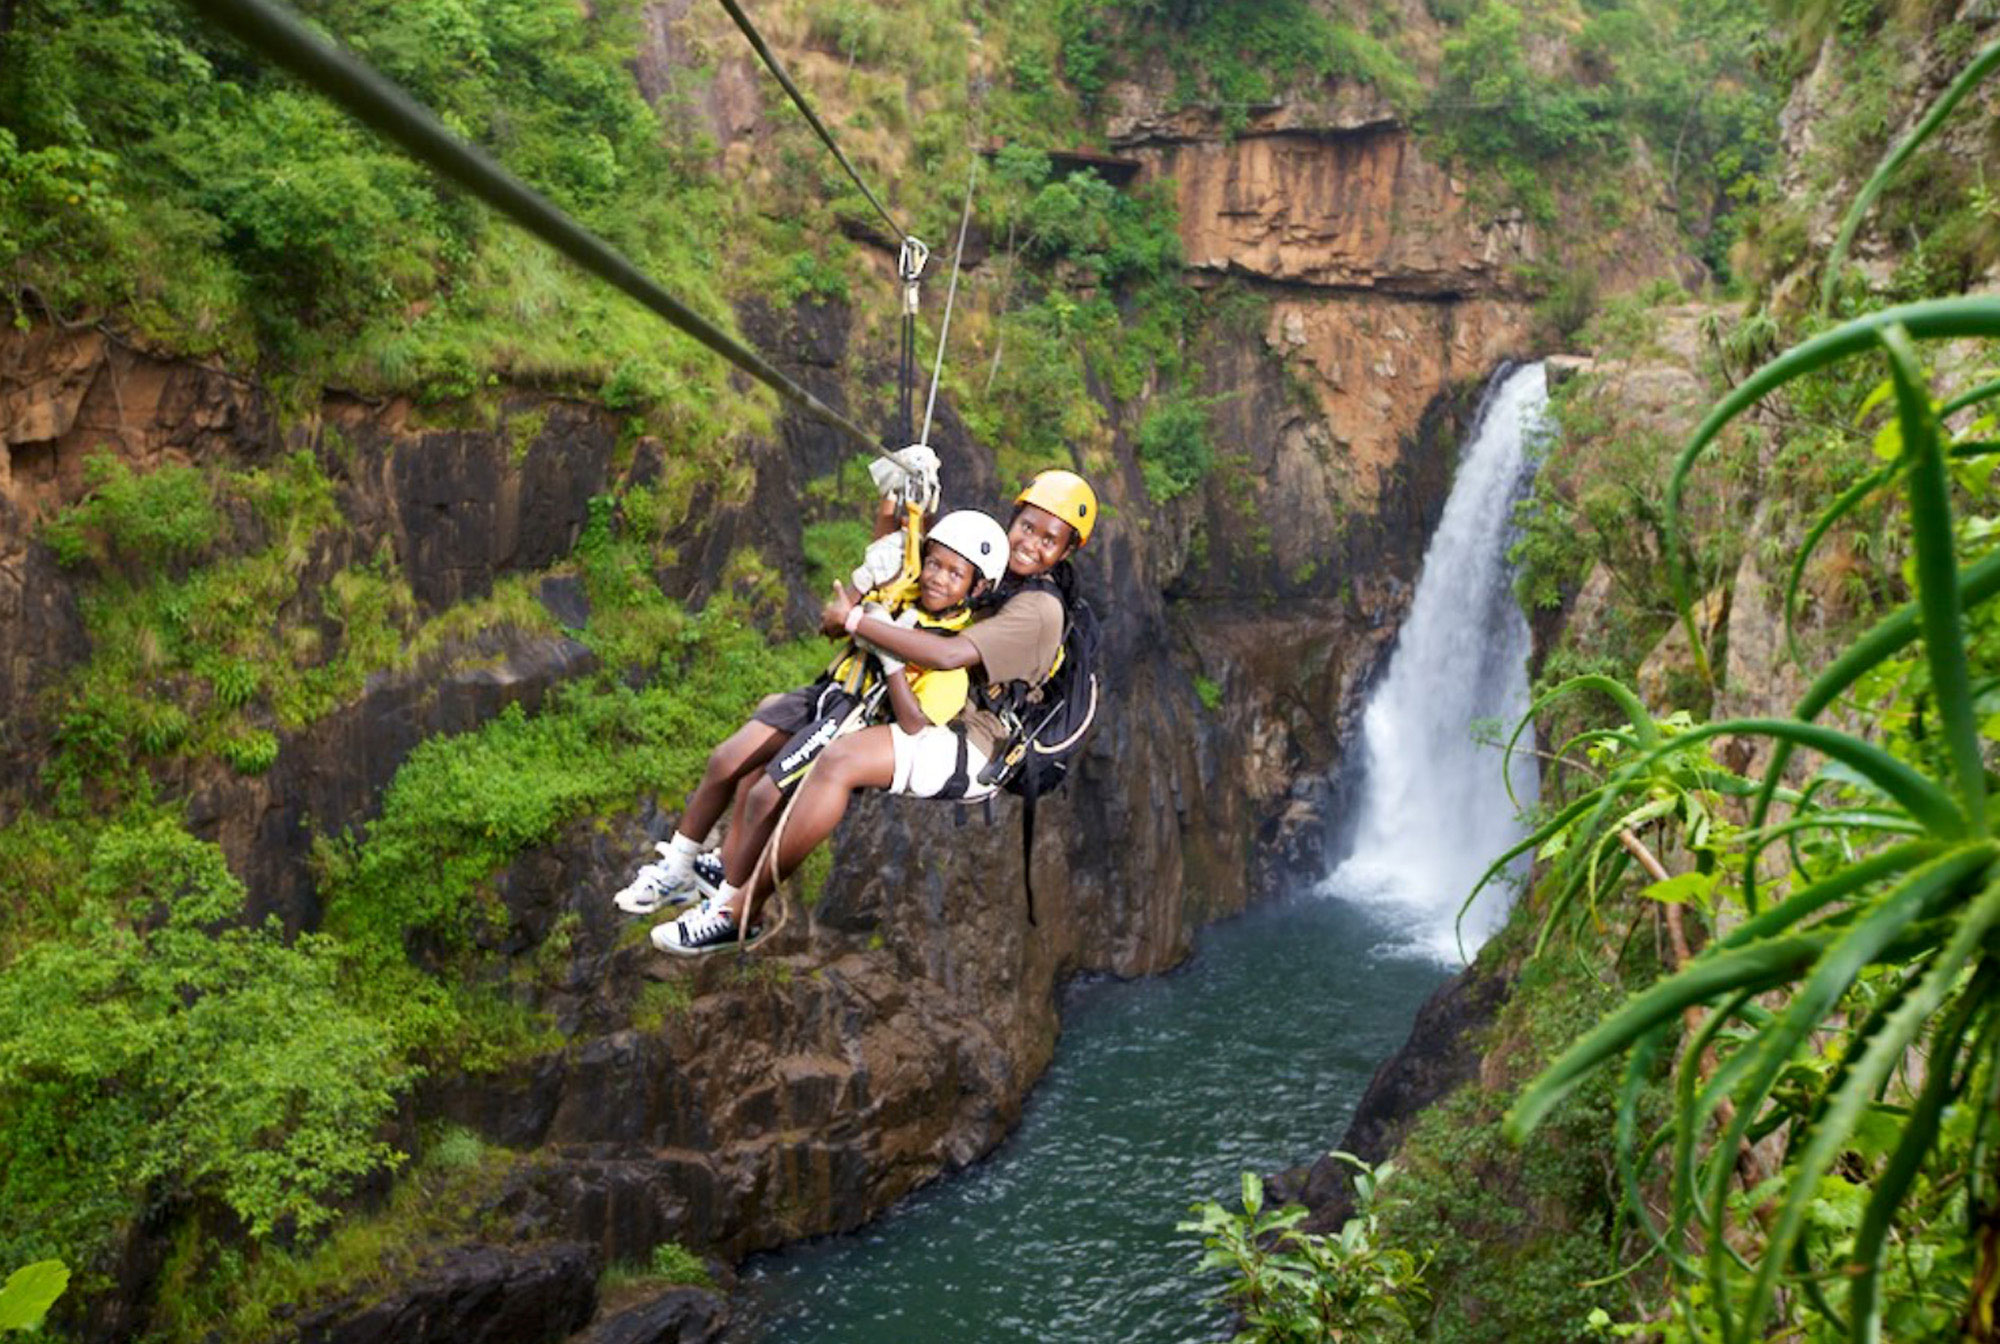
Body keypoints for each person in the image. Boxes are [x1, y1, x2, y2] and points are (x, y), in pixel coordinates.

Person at [652, 469, 1096, 954]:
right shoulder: (993, 569)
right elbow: (907, 571)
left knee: (839, 760)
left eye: (1049, 539)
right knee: (778, 722)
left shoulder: (1040, 610)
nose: (1031, 543)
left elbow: (947, 656)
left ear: (1067, 551)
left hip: (971, 742)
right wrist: (899, 499)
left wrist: (860, 622)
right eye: (1027, 527)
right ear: (1013, 519)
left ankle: (740, 913)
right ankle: (728, 861)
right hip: (924, 702)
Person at [613, 507, 1010, 915]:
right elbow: (841, 612)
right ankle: (677, 868)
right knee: (726, 759)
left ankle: (729, 903)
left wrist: (892, 662)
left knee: (764, 795)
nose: (937, 577)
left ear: (976, 589)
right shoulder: (904, 590)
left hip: (852, 712)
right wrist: (891, 511)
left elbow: (913, 723)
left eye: (953, 573)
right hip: (827, 692)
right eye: (933, 563)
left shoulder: (950, 654)